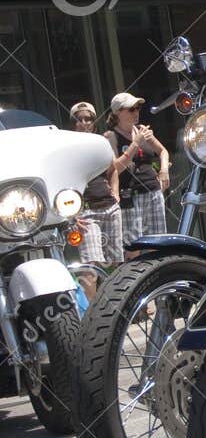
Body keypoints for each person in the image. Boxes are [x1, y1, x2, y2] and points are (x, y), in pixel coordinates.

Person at [69, 101, 121, 299]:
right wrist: (73, 216)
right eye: (79, 119)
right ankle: (92, 313)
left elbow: (113, 169)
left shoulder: (100, 143)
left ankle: (118, 310)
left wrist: (115, 193)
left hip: (109, 206)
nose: (84, 123)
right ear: (73, 123)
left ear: (94, 122)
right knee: (90, 265)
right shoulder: (68, 147)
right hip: (86, 212)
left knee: (116, 263)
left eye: (88, 119)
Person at [106, 92, 169, 248]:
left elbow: (163, 151)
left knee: (159, 241)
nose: (136, 112)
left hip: (153, 191)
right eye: (131, 109)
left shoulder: (142, 130)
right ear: (118, 112)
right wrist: (135, 144)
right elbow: (114, 169)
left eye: (138, 108)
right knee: (133, 245)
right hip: (130, 195)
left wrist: (164, 170)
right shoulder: (110, 136)